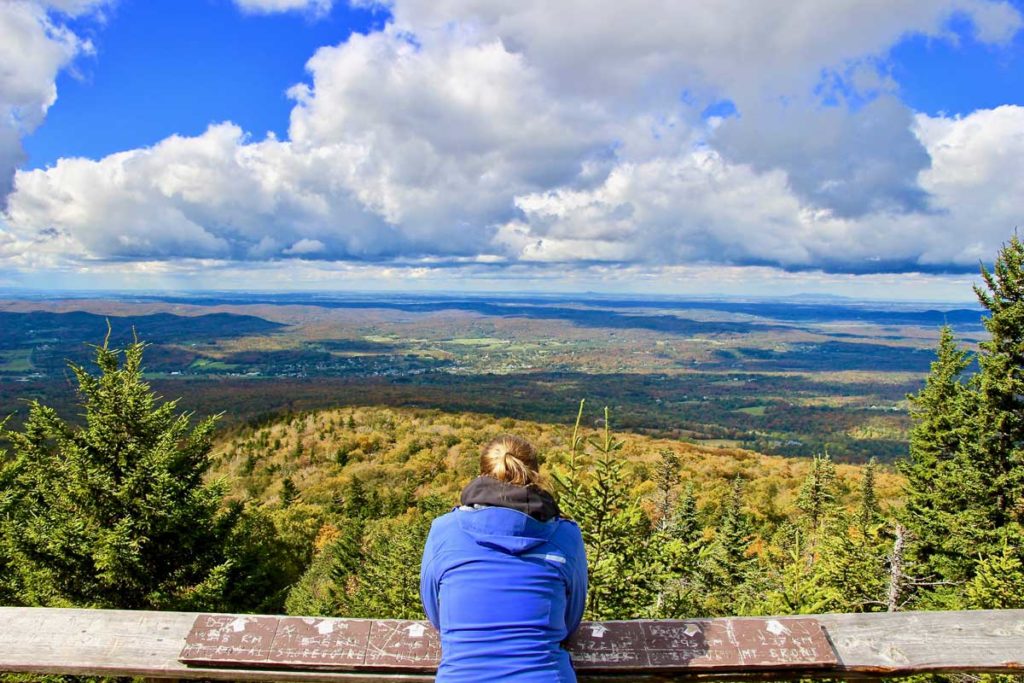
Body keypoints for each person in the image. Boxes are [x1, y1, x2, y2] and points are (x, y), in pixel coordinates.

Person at [419, 435, 588, 682]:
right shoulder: (565, 536)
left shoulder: (444, 531)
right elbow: (571, 619)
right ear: (535, 475)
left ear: (481, 474)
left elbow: (436, 613)